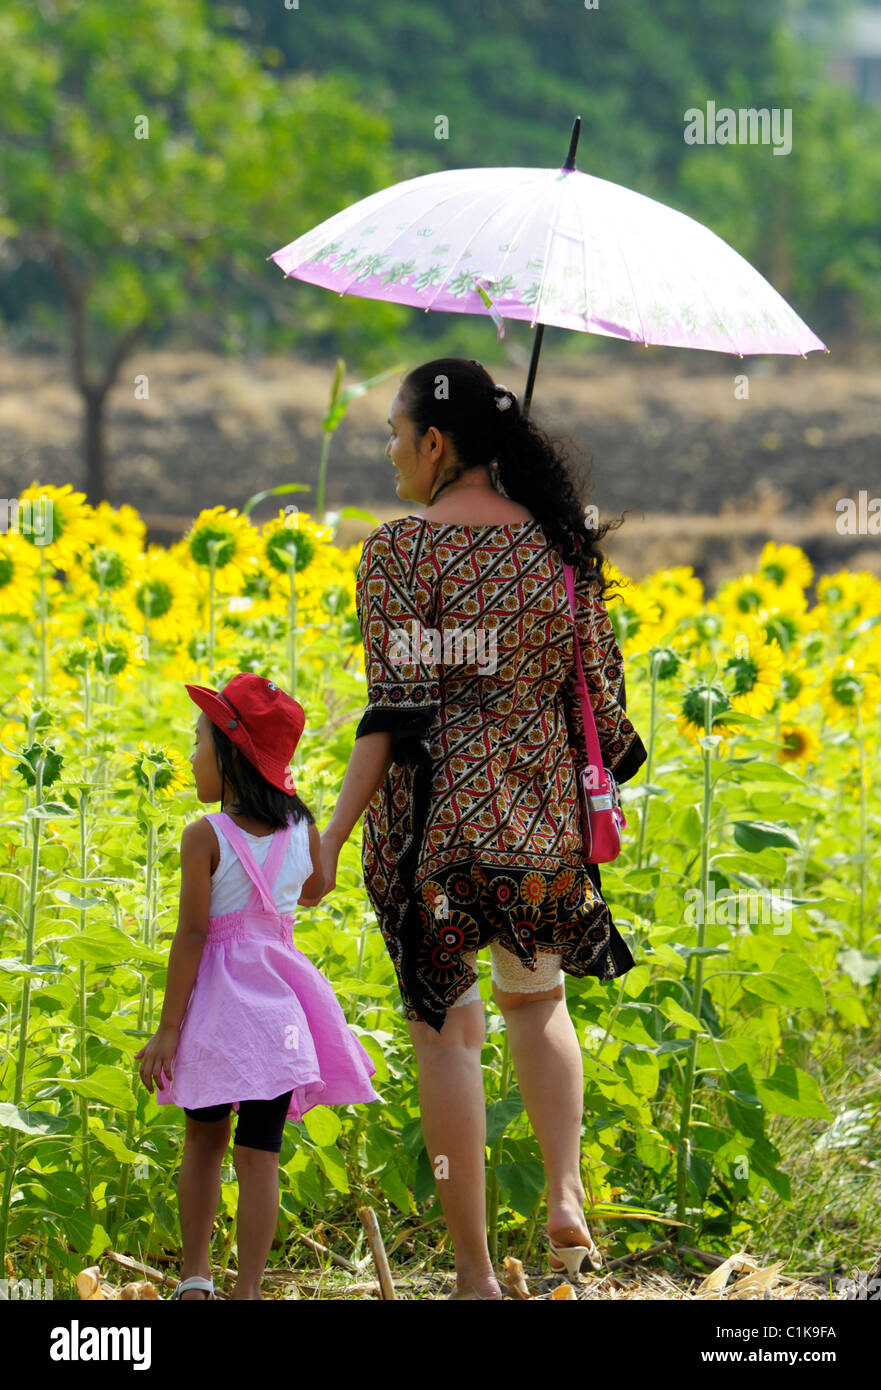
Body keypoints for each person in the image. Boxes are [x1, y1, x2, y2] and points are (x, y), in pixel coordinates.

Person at [311, 357, 648, 1300]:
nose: (387, 456)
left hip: (434, 841)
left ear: (433, 442)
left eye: (392, 435)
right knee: (538, 1007)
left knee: (448, 1037)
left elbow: (394, 712)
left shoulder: (402, 552)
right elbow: (606, 706)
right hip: (541, 832)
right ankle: (566, 1197)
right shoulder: (560, 546)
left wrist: (335, 837)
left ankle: (472, 1277)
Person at [135, 673, 380, 1301]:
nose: (192, 755)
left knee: (203, 1139)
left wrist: (167, 1031)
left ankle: (195, 1279)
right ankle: (247, 1291)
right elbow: (316, 884)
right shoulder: (300, 829)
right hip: (278, 1017)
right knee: (259, 1154)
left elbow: (191, 937)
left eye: (199, 742)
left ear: (231, 755)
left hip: (218, 1014)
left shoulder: (205, 835)